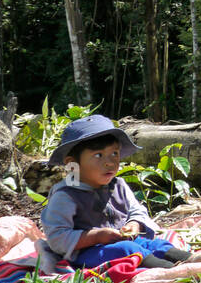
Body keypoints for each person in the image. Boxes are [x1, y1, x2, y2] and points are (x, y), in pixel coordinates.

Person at [41, 114, 191, 269]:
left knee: (155, 244)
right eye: (98, 155)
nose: (110, 162)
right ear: (72, 163)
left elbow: (136, 210)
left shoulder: (118, 185)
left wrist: (135, 224)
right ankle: (169, 271)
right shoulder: (66, 195)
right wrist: (96, 237)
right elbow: (57, 238)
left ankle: (193, 260)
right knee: (127, 250)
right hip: (85, 253)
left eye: (114, 153)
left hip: (121, 241)